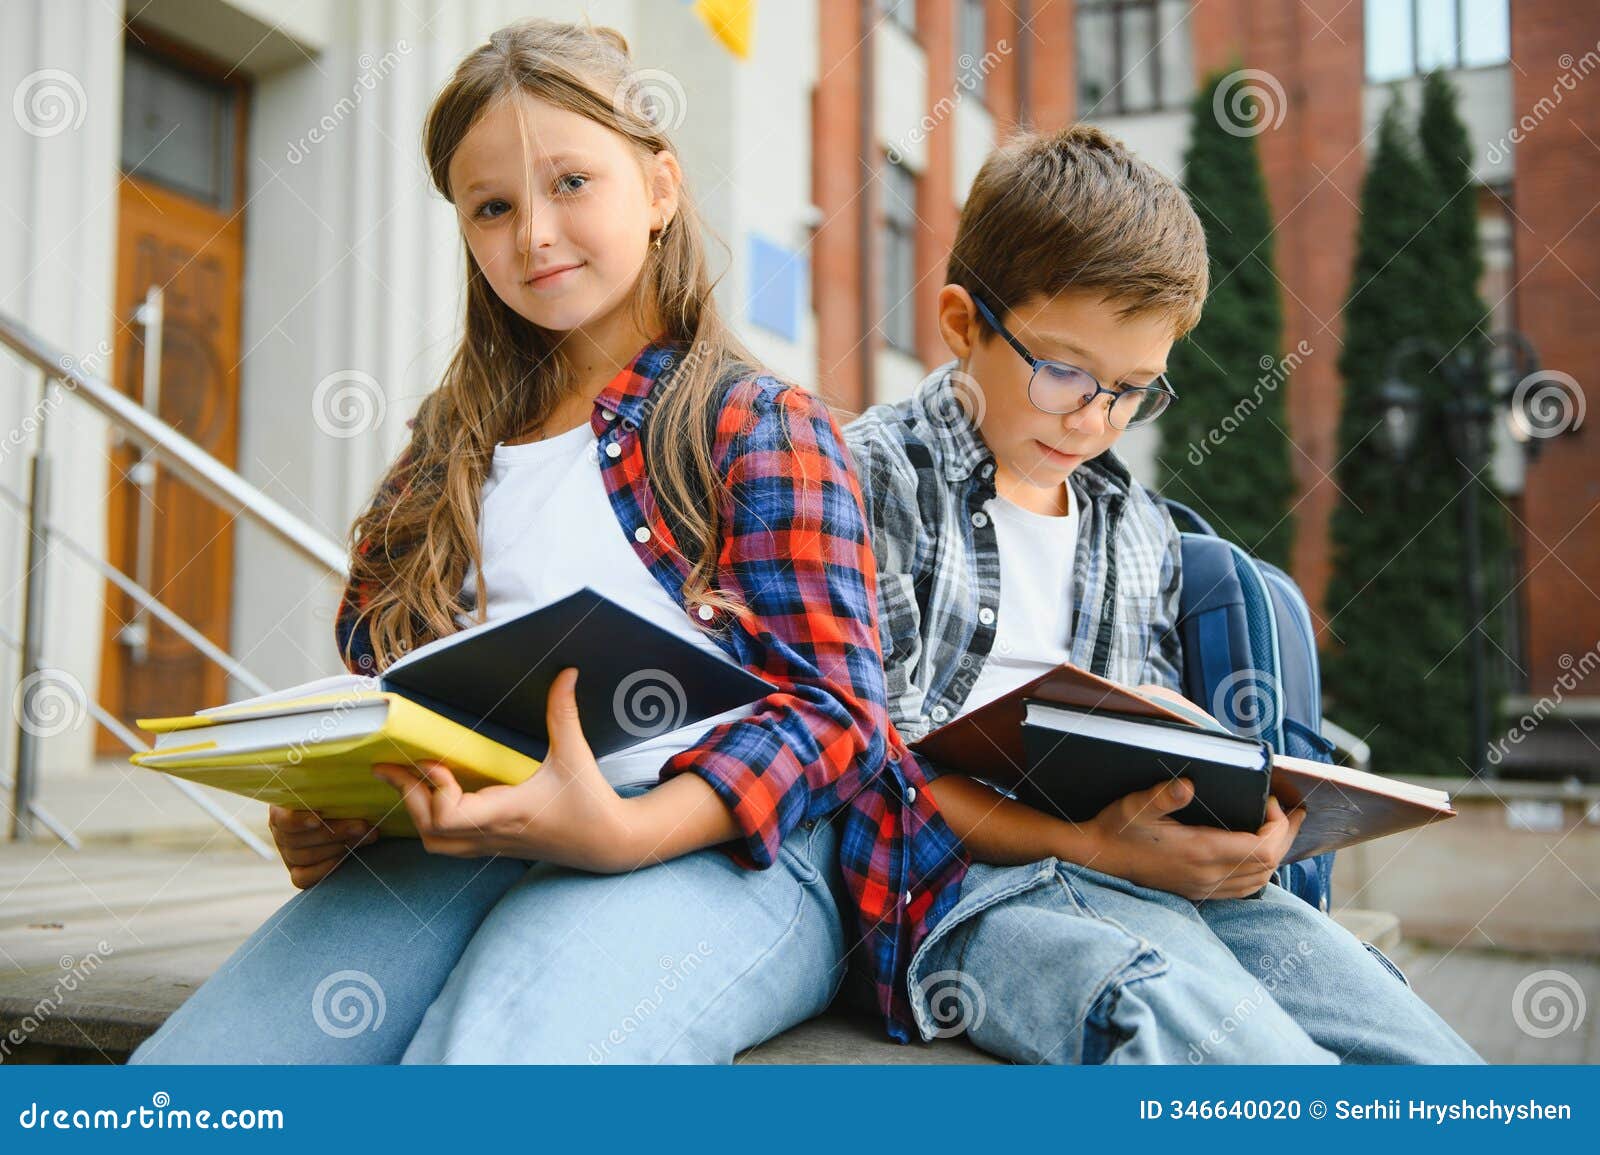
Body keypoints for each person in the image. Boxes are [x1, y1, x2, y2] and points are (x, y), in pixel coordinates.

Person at [843, 124, 1483, 1064]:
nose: (1094, 418)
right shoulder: (867, 479)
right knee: (1259, 1067)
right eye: (1063, 369)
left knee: (1426, 1059)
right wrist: (1109, 851)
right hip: (969, 888)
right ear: (961, 321)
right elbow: (865, 773)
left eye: (1134, 388)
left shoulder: (1137, 529)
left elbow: (1121, 740)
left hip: (1155, 877)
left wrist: (1227, 805)